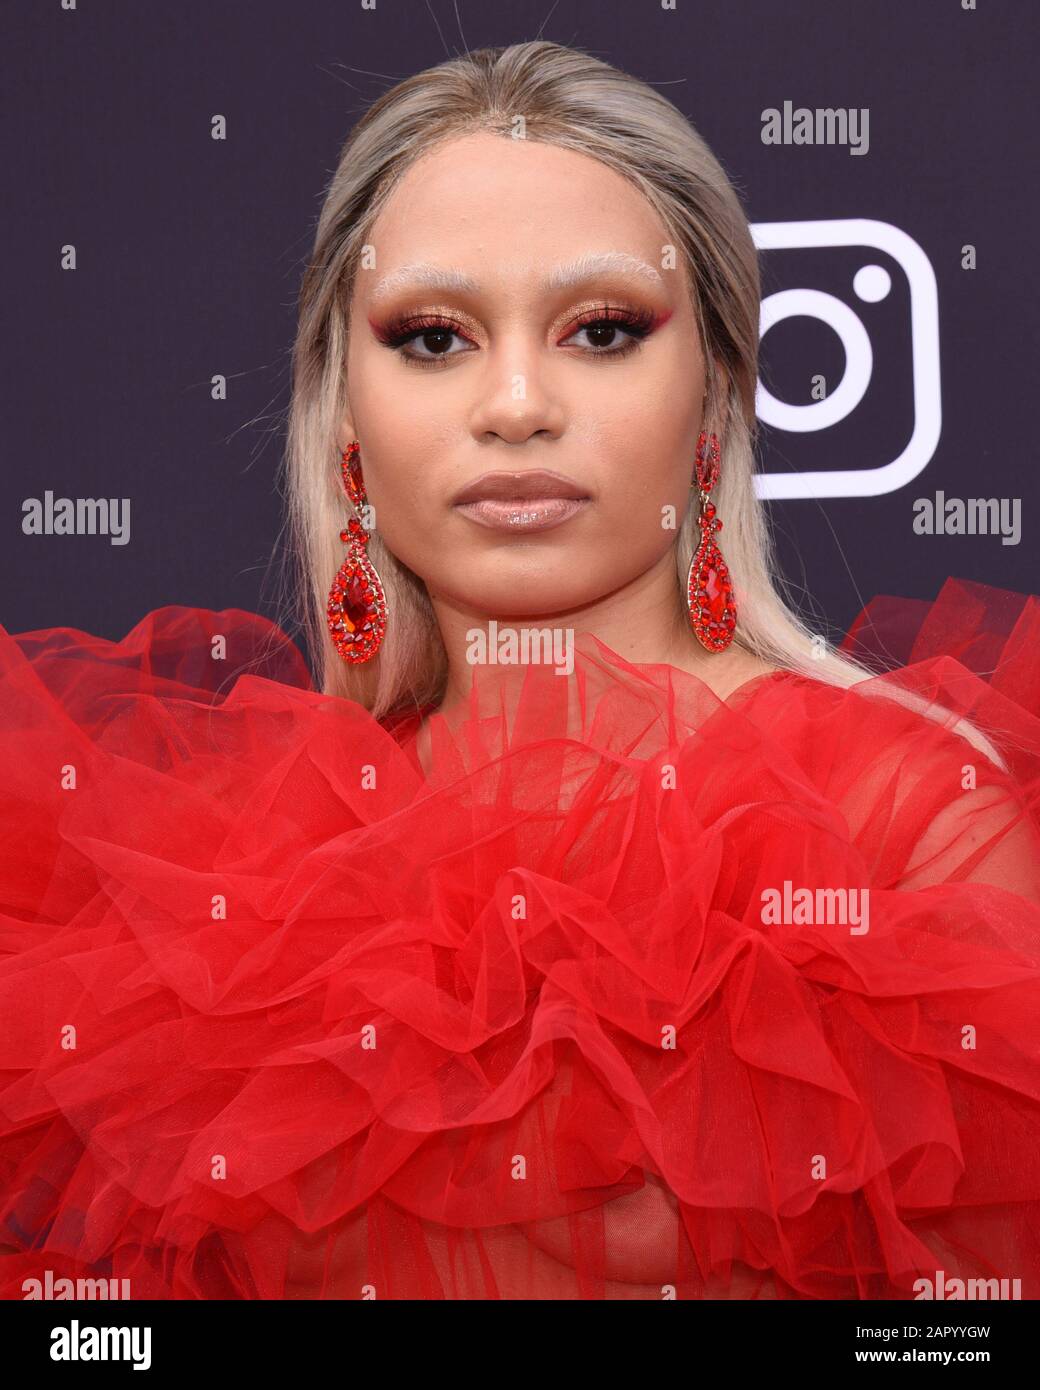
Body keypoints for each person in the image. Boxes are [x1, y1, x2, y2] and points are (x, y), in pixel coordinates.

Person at [2, 41, 1038, 1301]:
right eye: (432, 338)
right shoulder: (204, 889)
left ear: (715, 387)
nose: (513, 403)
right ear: (341, 413)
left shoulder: (903, 828)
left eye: (600, 330)